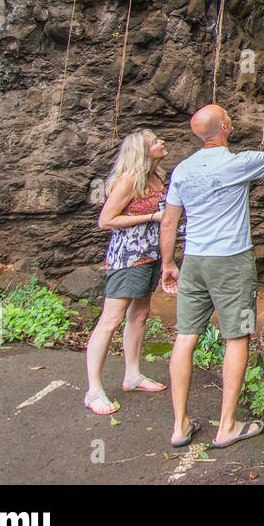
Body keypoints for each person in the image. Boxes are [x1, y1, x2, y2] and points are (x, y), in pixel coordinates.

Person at [159, 95, 264, 448]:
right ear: (225, 128)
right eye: (228, 118)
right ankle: (226, 425)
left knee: (185, 337)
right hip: (230, 261)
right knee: (236, 337)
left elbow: (169, 221)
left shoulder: (182, 169)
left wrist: (168, 264)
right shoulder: (236, 163)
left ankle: (180, 425)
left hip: (194, 260)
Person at [85, 129, 170, 415]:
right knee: (110, 321)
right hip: (127, 258)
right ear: (143, 152)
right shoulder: (128, 181)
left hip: (151, 255)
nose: (162, 143)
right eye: (156, 142)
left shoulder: (157, 177)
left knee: (139, 315)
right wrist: (150, 217)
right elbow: (105, 220)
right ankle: (93, 390)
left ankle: (132, 375)